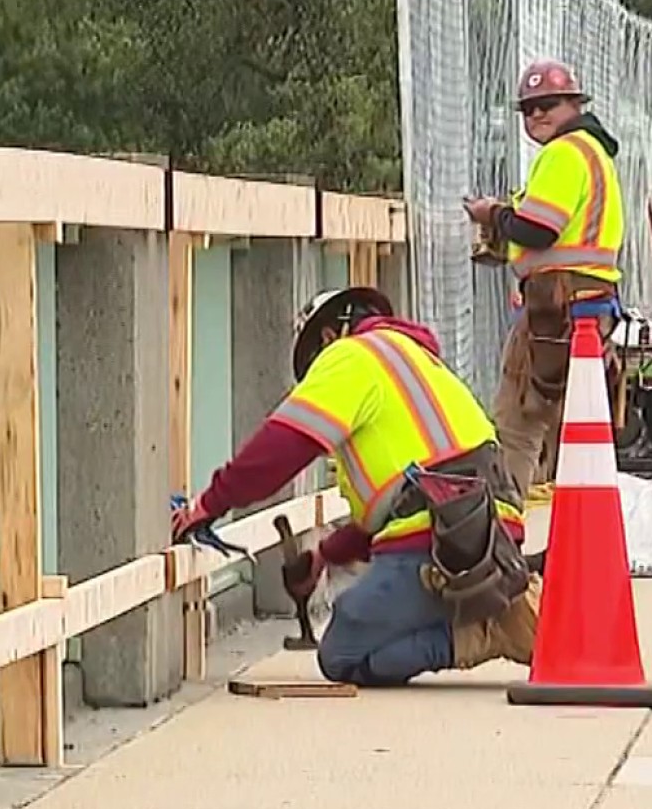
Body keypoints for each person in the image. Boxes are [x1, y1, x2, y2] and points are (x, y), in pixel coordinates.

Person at [170, 287, 540, 687]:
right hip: (483, 536)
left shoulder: (350, 356)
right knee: (368, 632)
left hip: (437, 541)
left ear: (328, 339)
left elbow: (280, 448)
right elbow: (393, 505)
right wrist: (323, 557)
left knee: (343, 652)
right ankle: (487, 604)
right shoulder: (416, 360)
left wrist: (208, 504)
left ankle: (479, 634)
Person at [463, 60, 626, 498]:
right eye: (528, 108)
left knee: (517, 423)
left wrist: (492, 215)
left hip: (556, 307)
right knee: (573, 428)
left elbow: (539, 229)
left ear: (574, 104)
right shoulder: (593, 154)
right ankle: (583, 538)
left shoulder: (563, 153)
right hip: (587, 307)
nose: (536, 115)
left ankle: (505, 536)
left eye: (547, 105)